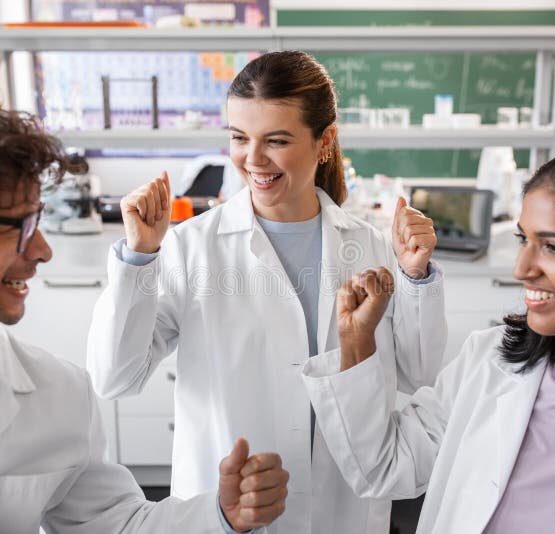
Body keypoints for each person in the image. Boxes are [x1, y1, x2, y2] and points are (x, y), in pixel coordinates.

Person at [0, 90, 288, 534]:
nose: (42, 251)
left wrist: (219, 515)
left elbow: (114, 523)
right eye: (16, 228)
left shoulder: (55, 392)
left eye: (37, 222)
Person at [87, 50, 447, 534]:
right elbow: (114, 379)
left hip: (343, 506)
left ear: (325, 142)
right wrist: (138, 259)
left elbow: (416, 373)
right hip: (228, 512)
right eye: (239, 138)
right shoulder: (191, 247)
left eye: (276, 140)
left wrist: (416, 277)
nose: (252, 160)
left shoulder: (372, 246)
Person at [302, 136, 555, 534]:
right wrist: (356, 342)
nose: (522, 268)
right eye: (524, 239)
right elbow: (384, 469)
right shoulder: (489, 361)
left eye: (553, 247)